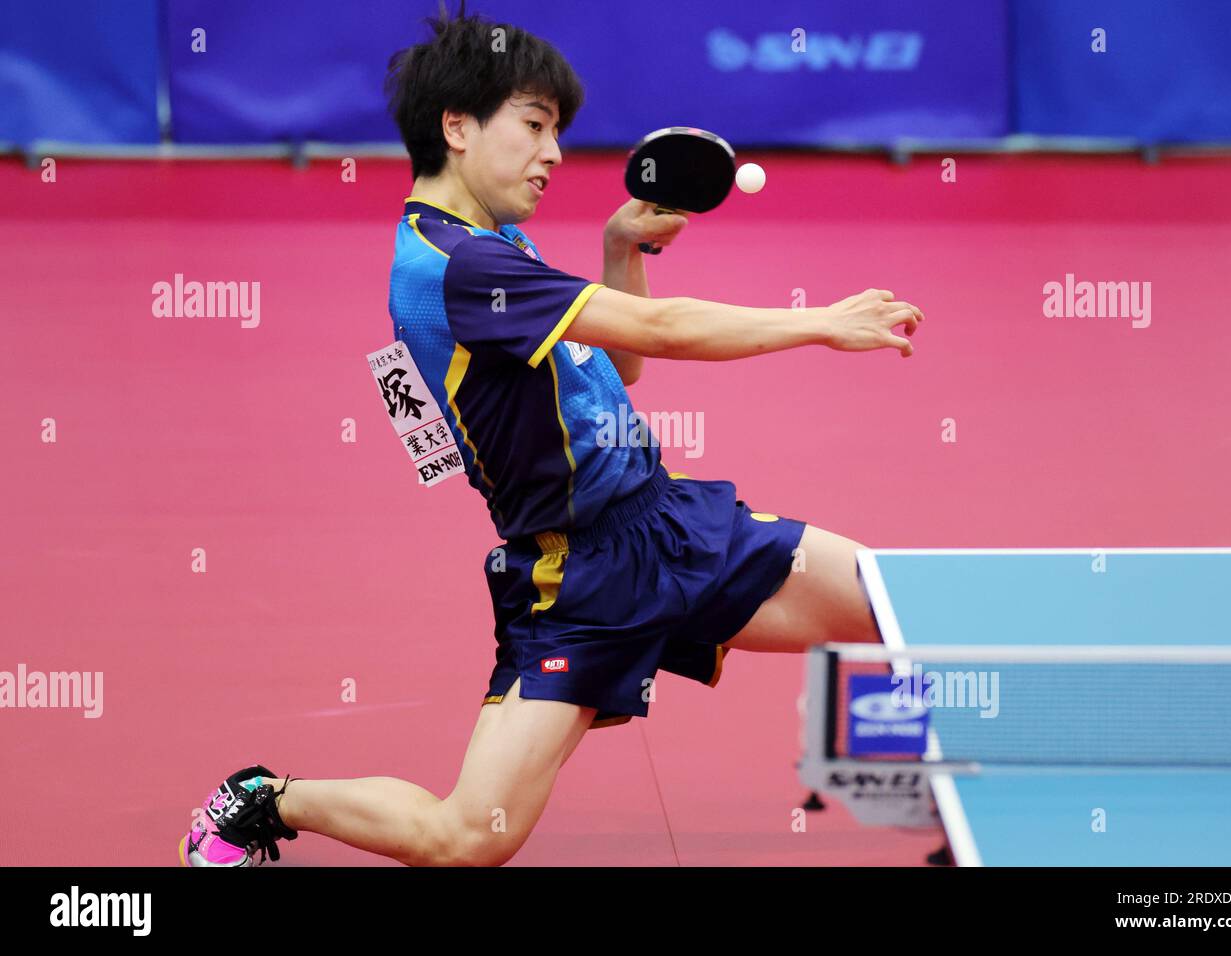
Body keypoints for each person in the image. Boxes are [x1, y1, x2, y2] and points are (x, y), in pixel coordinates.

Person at [180, 5, 923, 868]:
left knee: (903, 611)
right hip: (575, 580)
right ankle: (266, 798)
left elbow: (620, 373)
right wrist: (822, 320)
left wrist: (620, 248)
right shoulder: (460, 268)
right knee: (464, 840)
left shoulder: (487, 240)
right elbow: (669, 332)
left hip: (672, 525)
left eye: (556, 131)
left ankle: (963, 811)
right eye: (534, 126)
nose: (555, 154)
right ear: (457, 127)